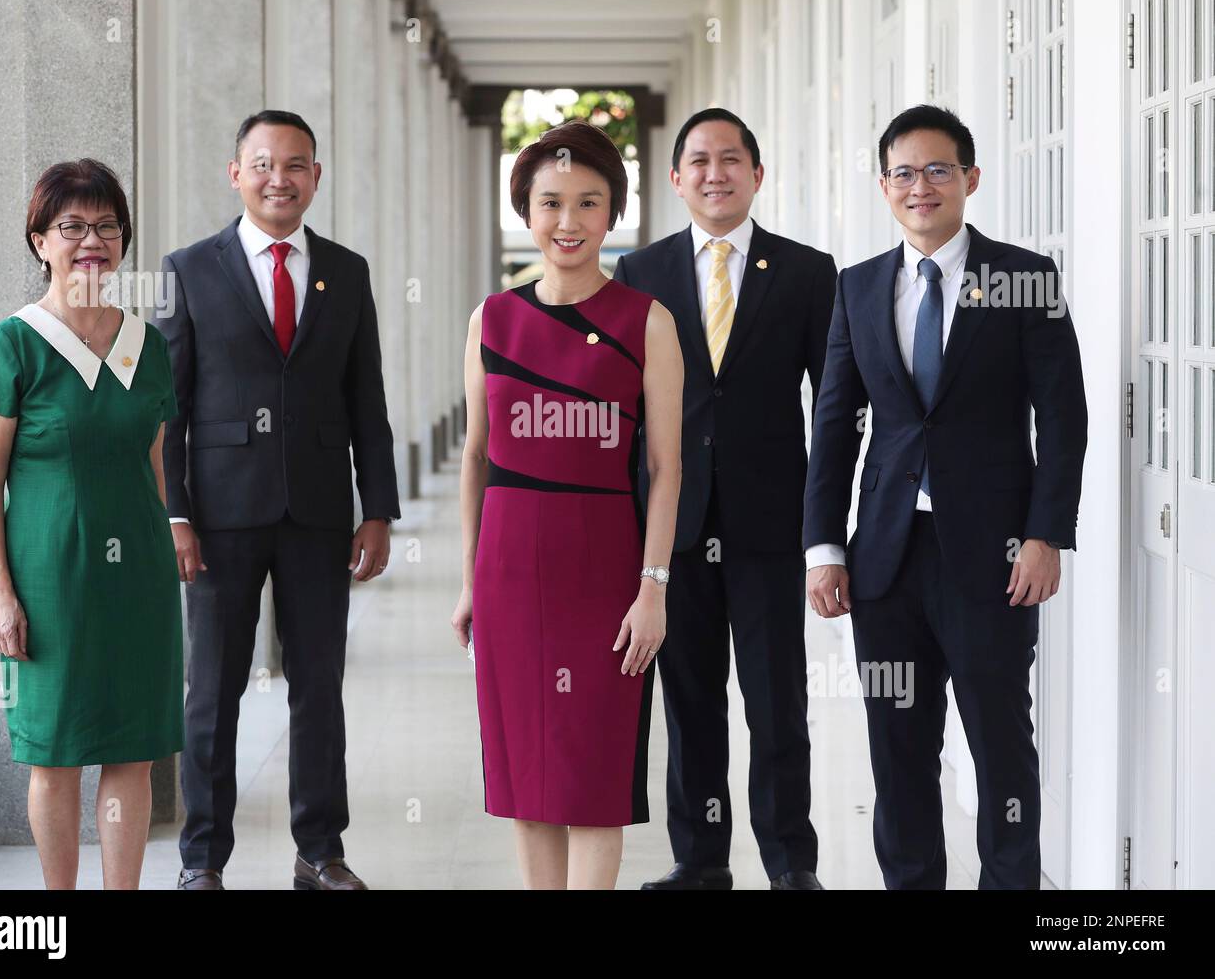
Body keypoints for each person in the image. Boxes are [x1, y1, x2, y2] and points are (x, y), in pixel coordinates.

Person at [803, 104, 1089, 889]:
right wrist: (824, 548)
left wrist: (1045, 535)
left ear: (970, 178)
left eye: (937, 170)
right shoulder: (858, 288)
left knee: (1001, 747)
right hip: (885, 561)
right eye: (903, 172)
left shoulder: (1024, 277)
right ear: (883, 186)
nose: (919, 186)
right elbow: (834, 425)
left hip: (994, 558)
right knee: (897, 753)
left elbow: (1063, 418)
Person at [157, 110, 400, 891]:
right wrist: (176, 513)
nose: (279, 178)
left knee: (318, 688)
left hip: (321, 515)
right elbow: (171, 406)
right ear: (236, 174)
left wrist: (379, 508)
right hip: (220, 517)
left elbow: (367, 398)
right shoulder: (189, 269)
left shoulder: (347, 270)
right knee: (212, 695)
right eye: (262, 163)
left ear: (315, 178)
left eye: (295, 165)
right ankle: (202, 860)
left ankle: (320, 851)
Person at [450, 120, 683, 890]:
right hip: (510, 569)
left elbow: (666, 466)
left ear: (613, 212)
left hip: (604, 567)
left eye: (589, 202)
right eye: (551, 203)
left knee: (594, 778)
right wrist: (468, 580)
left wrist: (653, 586)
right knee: (528, 778)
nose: (569, 221)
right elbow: (478, 457)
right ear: (526, 212)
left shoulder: (647, 322)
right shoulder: (492, 319)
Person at [614, 109, 835, 891]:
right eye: (699, 161)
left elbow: (835, 407)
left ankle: (790, 864)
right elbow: (626, 412)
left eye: (732, 159)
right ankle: (701, 862)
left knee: (778, 707)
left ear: (757, 174)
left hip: (770, 526)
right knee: (692, 704)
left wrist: (824, 536)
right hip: (673, 528)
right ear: (675, 179)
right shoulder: (639, 275)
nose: (716, 173)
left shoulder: (808, 273)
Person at [0, 159, 182, 889]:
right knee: (54, 755)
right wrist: (0, 594)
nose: (93, 240)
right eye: (73, 226)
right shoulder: (11, 346)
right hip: (48, 583)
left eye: (107, 226)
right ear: (40, 241)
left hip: (140, 580)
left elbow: (152, 467)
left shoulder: (147, 347)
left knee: (133, 751)